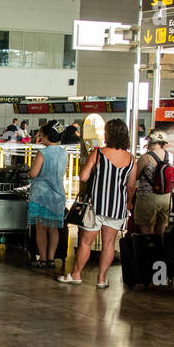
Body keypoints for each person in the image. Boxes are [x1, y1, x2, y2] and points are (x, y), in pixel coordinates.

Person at [58, 118, 136, 287]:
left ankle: (76, 274)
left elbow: (84, 176)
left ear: (108, 134)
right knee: (109, 243)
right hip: (117, 207)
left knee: (86, 241)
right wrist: (129, 203)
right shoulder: (131, 158)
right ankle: (101, 279)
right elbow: (131, 186)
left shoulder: (99, 153)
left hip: (96, 205)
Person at [28, 121, 67, 269]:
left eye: (41, 135)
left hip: (41, 196)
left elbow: (33, 173)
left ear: (47, 136)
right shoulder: (64, 152)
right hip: (58, 196)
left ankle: (43, 259)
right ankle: (51, 259)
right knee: (54, 229)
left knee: (41, 228)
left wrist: (28, 171)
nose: (40, 137)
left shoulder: (42, 152)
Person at [131, 129, 174, 237]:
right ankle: (160, 252)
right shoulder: (170, 157)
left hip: (147, 198)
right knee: (162, 231)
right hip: (166, 198)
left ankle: (149, 252)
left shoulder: (146, 158)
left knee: (147, 232)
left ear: (151, 142)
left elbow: (134, 177)